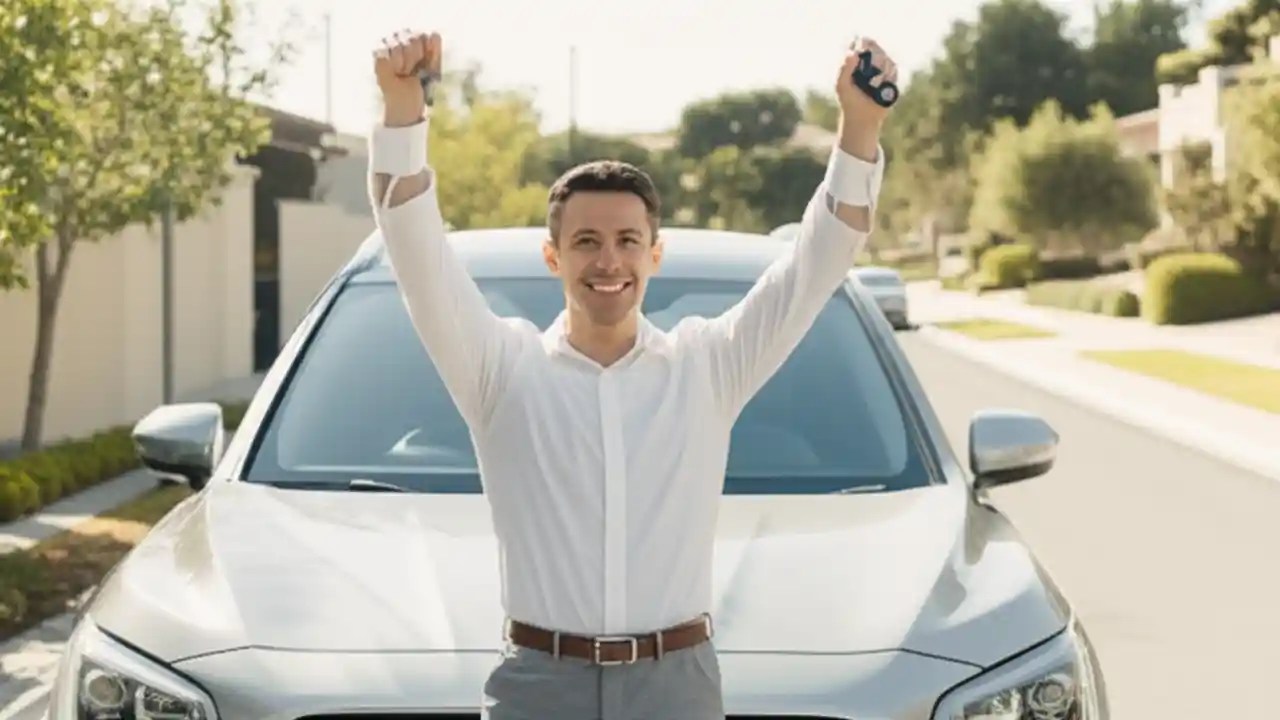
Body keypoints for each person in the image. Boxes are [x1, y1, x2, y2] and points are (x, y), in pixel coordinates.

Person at [368, 28, 896, 720]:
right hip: (538, 687)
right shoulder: (502, 370)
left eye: (627, 242)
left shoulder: (707, 366)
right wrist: (402, 109)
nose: (608, 262)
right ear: (554, 257)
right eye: (586, 241)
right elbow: (416, 253)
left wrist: (860, 125)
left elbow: (817, 263)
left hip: (676, 688)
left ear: (655, 254)